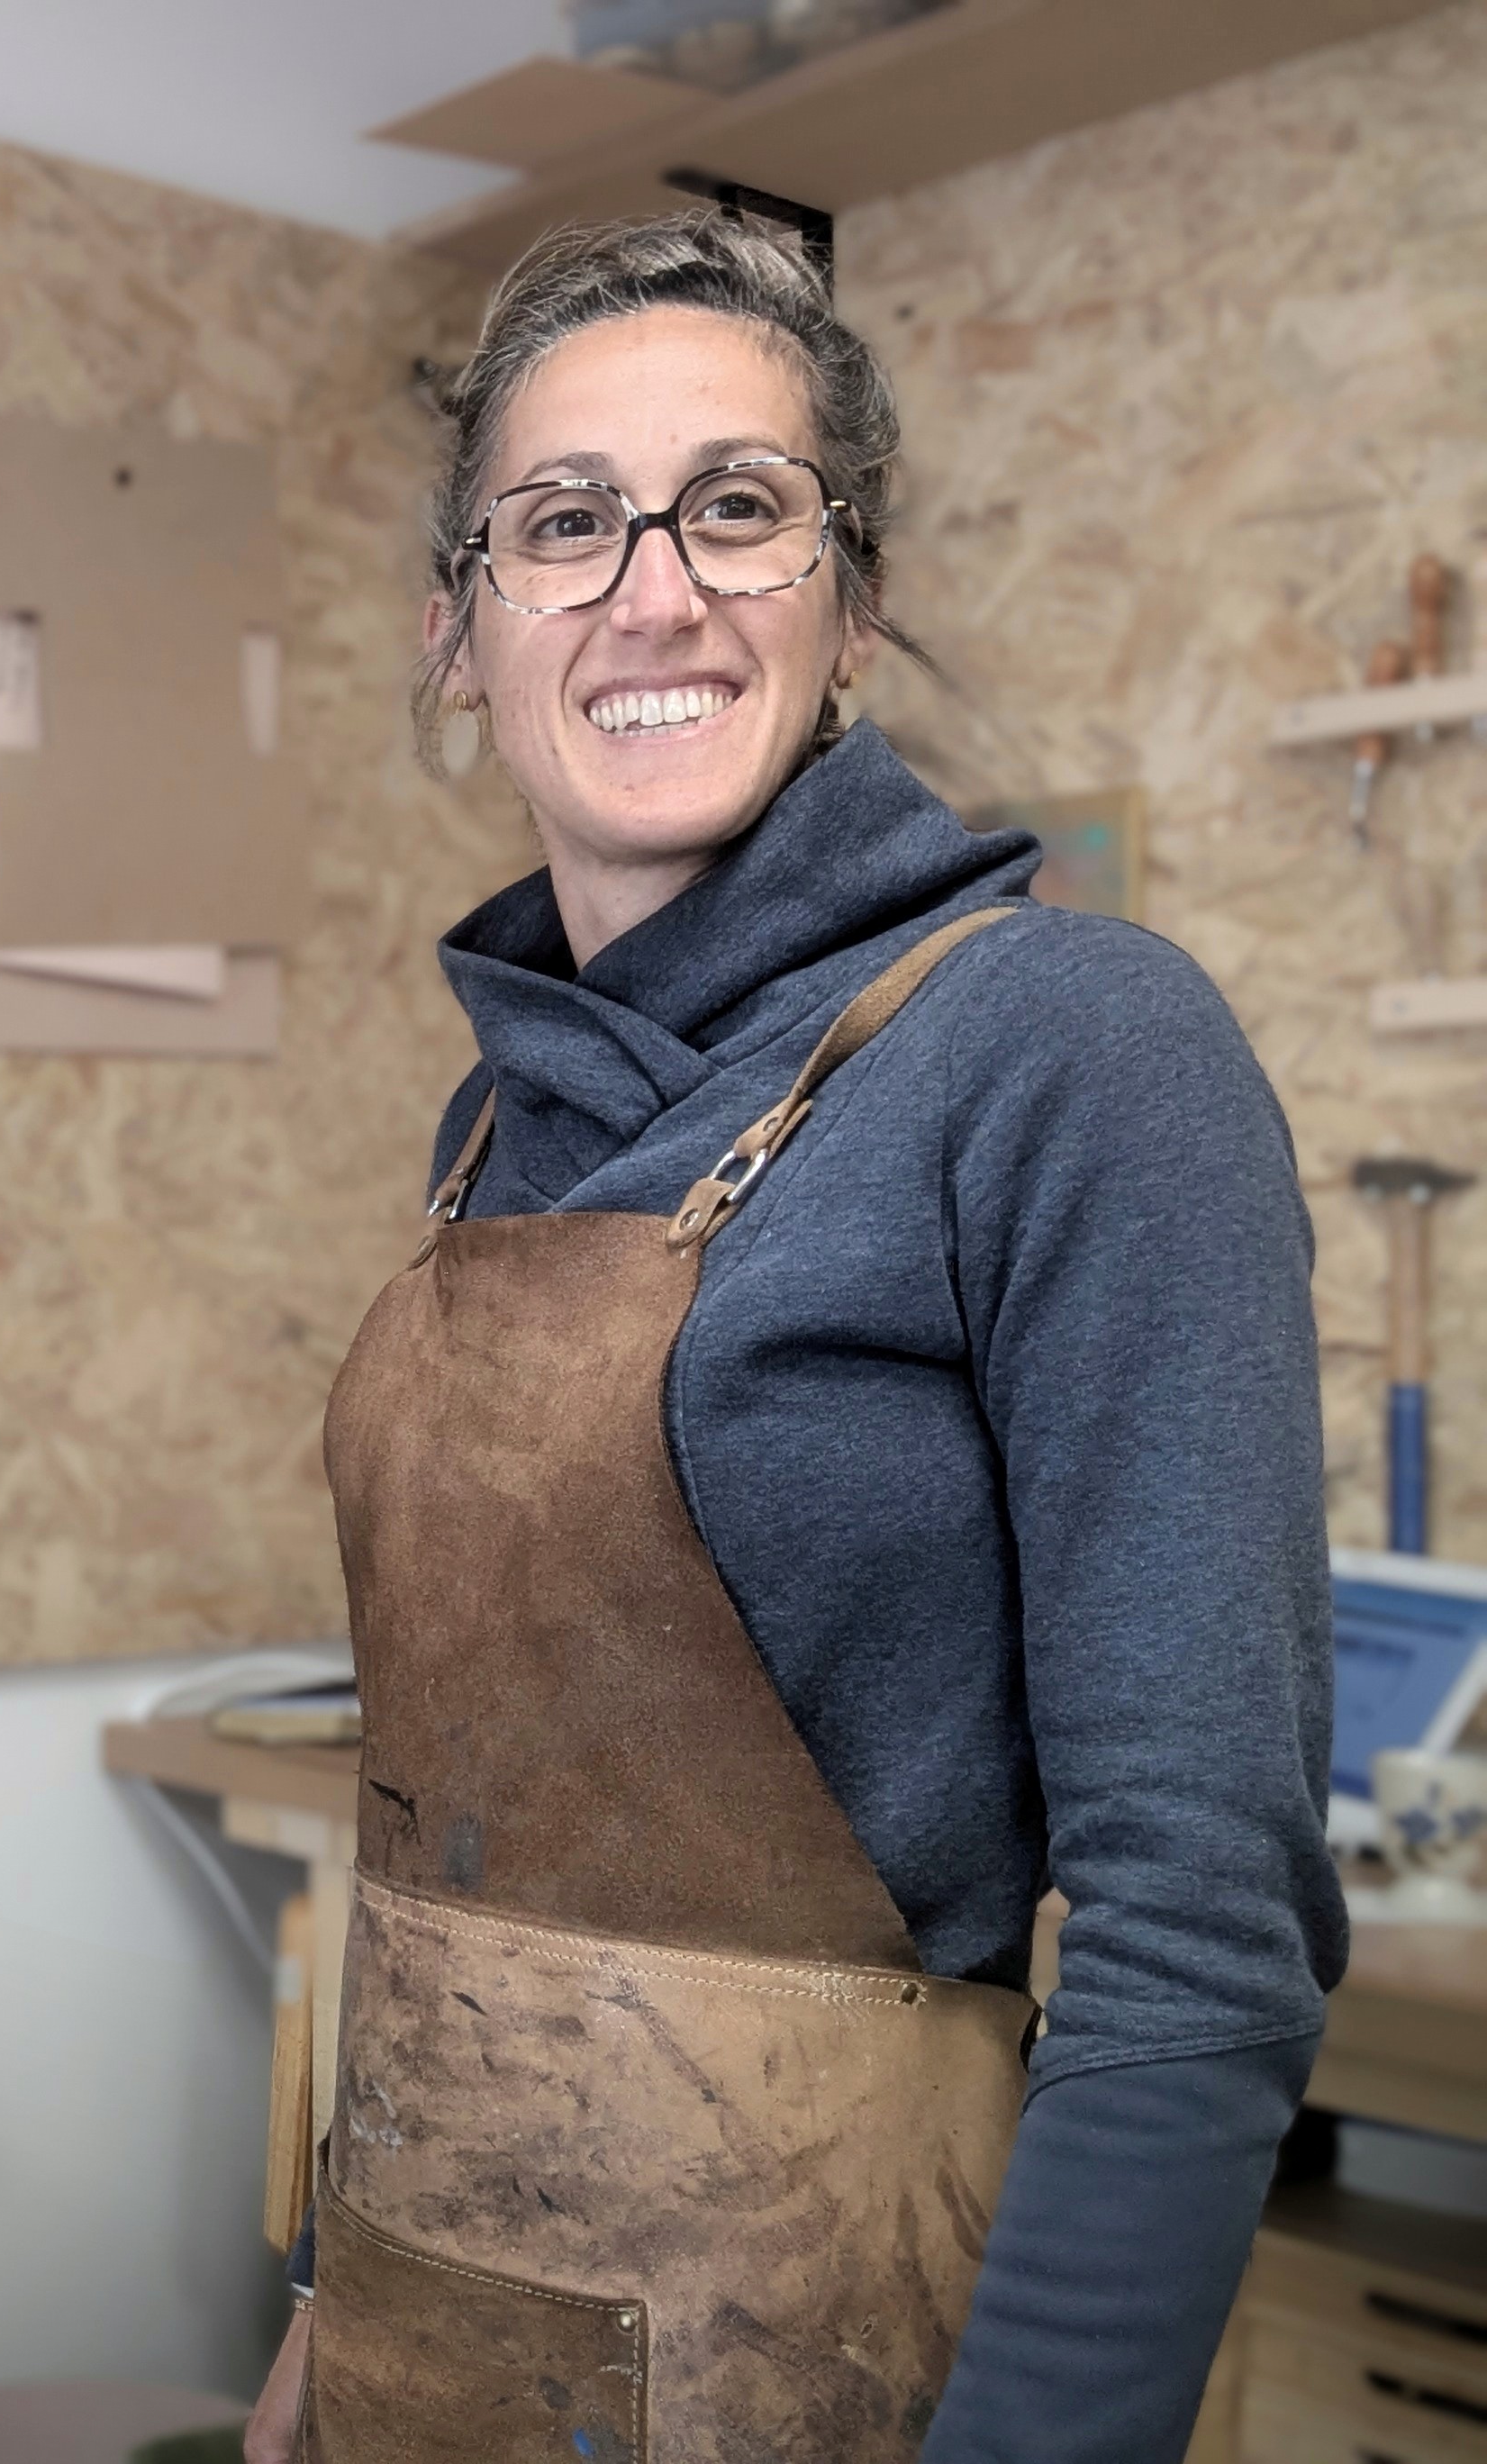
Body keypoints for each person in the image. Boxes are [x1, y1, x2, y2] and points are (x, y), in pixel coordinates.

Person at [244, 210, 1344, 2463]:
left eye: (737, 509)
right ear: (460, 635)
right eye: (565, 525)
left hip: (850, 2379)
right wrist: (321, 2330)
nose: (654, 591)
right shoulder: (500, 1117)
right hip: (430, 2371)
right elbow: (458, 1865)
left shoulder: (1066, 1049)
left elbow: (1202, 1931)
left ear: (848, 605)